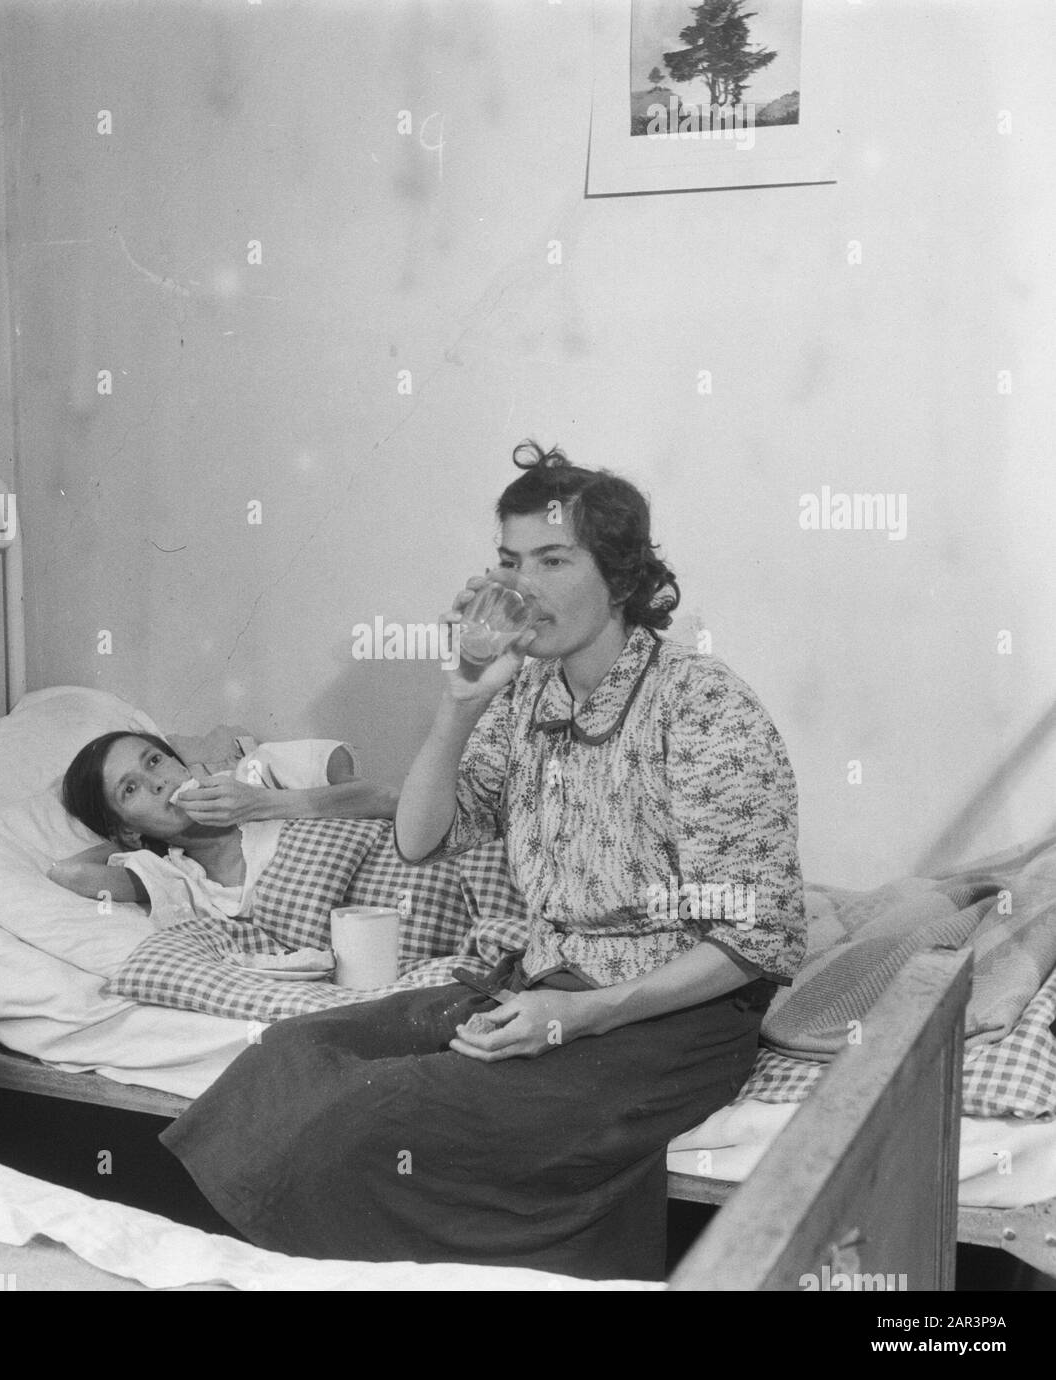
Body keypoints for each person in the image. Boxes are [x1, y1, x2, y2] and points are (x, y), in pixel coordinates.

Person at [160, 441, 806, 1280]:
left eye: (551, 559)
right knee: (288, 1056)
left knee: (384, 1113)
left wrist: (584, 1015)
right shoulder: (528, 694)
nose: (520, 585)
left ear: (620, 576)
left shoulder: (705, 705)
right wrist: (461, 700)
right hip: (544, 981)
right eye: (508, 561)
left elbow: (756, 939)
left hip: (673, 1019)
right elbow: (424, 836)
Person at [49, 730, 396, 922]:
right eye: (130, 789)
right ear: (125, 829)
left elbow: (386, 800)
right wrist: (129, 838)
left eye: (155, 761)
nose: (156, 782)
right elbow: (71, 873)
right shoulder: (183, 879)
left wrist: (261, 803)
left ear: (179, 765)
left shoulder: (255, 773)